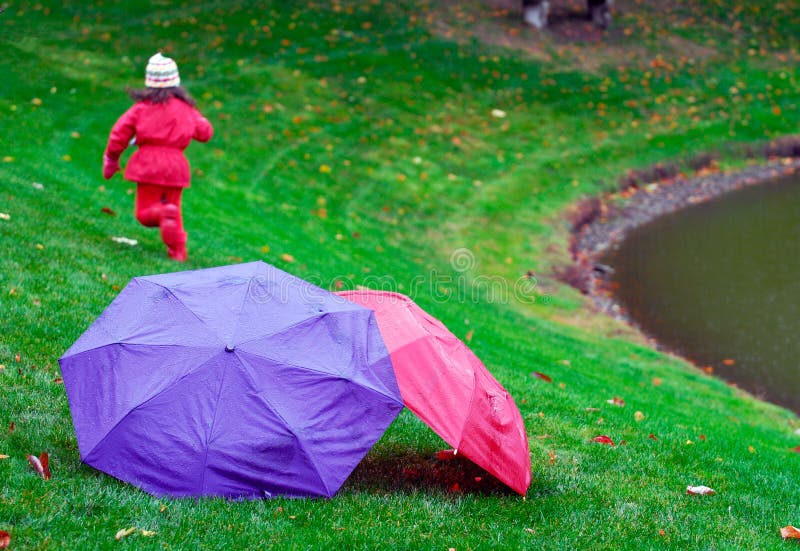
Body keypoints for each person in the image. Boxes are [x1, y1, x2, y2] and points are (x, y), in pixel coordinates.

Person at [103, 52, 213, 261]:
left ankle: (163, 214)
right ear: (176, 82)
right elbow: (205, 133)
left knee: (146, 214)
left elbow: (119, 134)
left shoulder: (141, 108)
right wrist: (197, 116)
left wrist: (111, 159)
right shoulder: (186, 109)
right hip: (176, 166)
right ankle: (178, 251)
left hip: (148, 164)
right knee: (174, 211)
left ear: (149, 83)